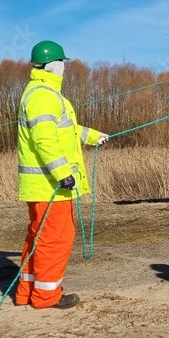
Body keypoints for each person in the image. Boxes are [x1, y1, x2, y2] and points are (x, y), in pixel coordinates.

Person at [15, 40, 109, 310]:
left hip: (41, 187)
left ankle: (26, 293)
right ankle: (46, 296)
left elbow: (65, 129)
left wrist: (93, 136)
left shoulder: (40, 93)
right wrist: (63, 174)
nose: (65, 68)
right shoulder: (44, 95)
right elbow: (45, 139)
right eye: (62, 63)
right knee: (55, 240)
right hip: (49, 186)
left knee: (38, 237)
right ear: (54, 65)